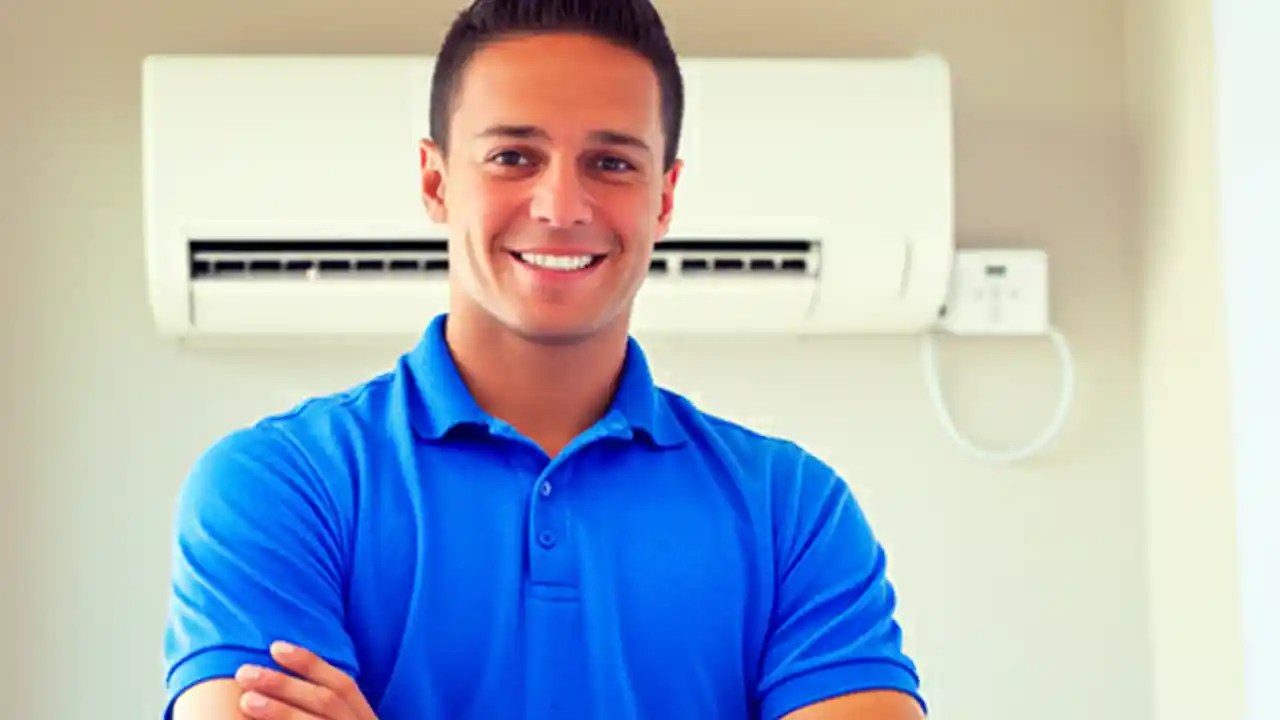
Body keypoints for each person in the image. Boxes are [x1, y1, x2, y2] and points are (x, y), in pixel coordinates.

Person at [162, 1, 927, 718]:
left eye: (612, 164)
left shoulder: (793, 511)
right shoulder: (281, 487)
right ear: (436, 181)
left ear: (664, 199)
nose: (561, 206)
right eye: (513, 156)